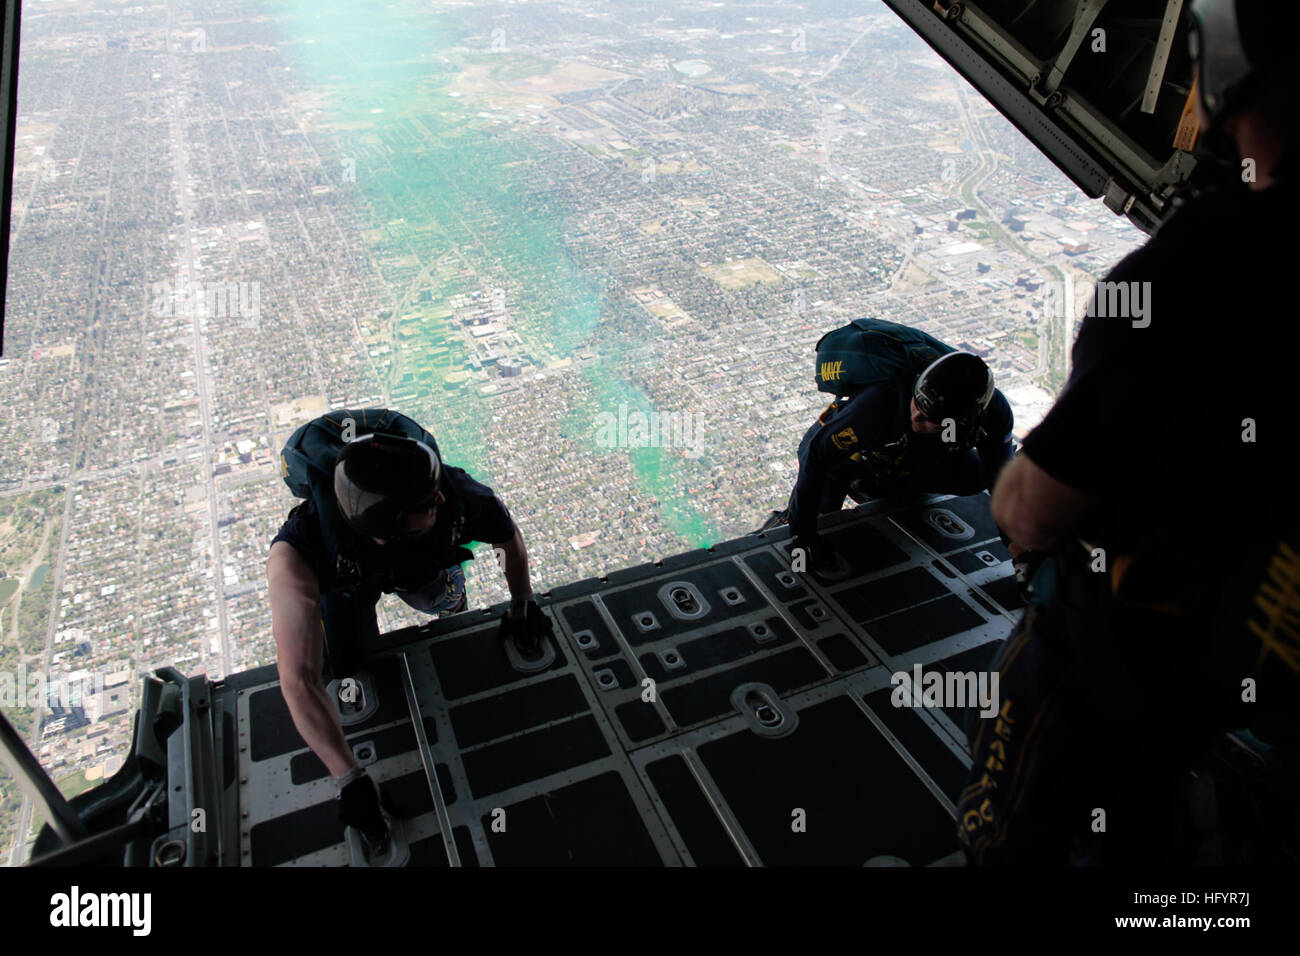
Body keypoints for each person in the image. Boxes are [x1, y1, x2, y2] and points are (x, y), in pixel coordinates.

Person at [959, 0, 1300, 864]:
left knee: (1009, 832)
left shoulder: (1199, 268)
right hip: (1224, 661)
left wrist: (1011, 487)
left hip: (1107, 643)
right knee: (1146, 804)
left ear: (1223, 79)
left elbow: (1031, 512)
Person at [266, 409, 550, 855]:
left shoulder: (460, 499)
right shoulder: (302, 550)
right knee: (345, 662)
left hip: (420, 567)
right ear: (386, 522)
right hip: (349, 586)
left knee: (442, 598)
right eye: (425, 502)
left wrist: (522, 604)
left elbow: (509, 540)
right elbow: (298, 678)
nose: (439, 500)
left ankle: (445, 597)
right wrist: (349, 779)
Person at [783, 321, 1015, 574]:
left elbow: (1001, 480)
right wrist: (801, 536)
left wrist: (1018, 549)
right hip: (848, 460)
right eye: (917, 405)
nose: (917, 417)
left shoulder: (995, 414)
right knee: (821, 515)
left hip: (902, 454)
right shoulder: (879, 404)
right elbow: (816, 457)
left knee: (973, 475)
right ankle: (793, 516)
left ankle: (883, 487)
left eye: (929, 419)